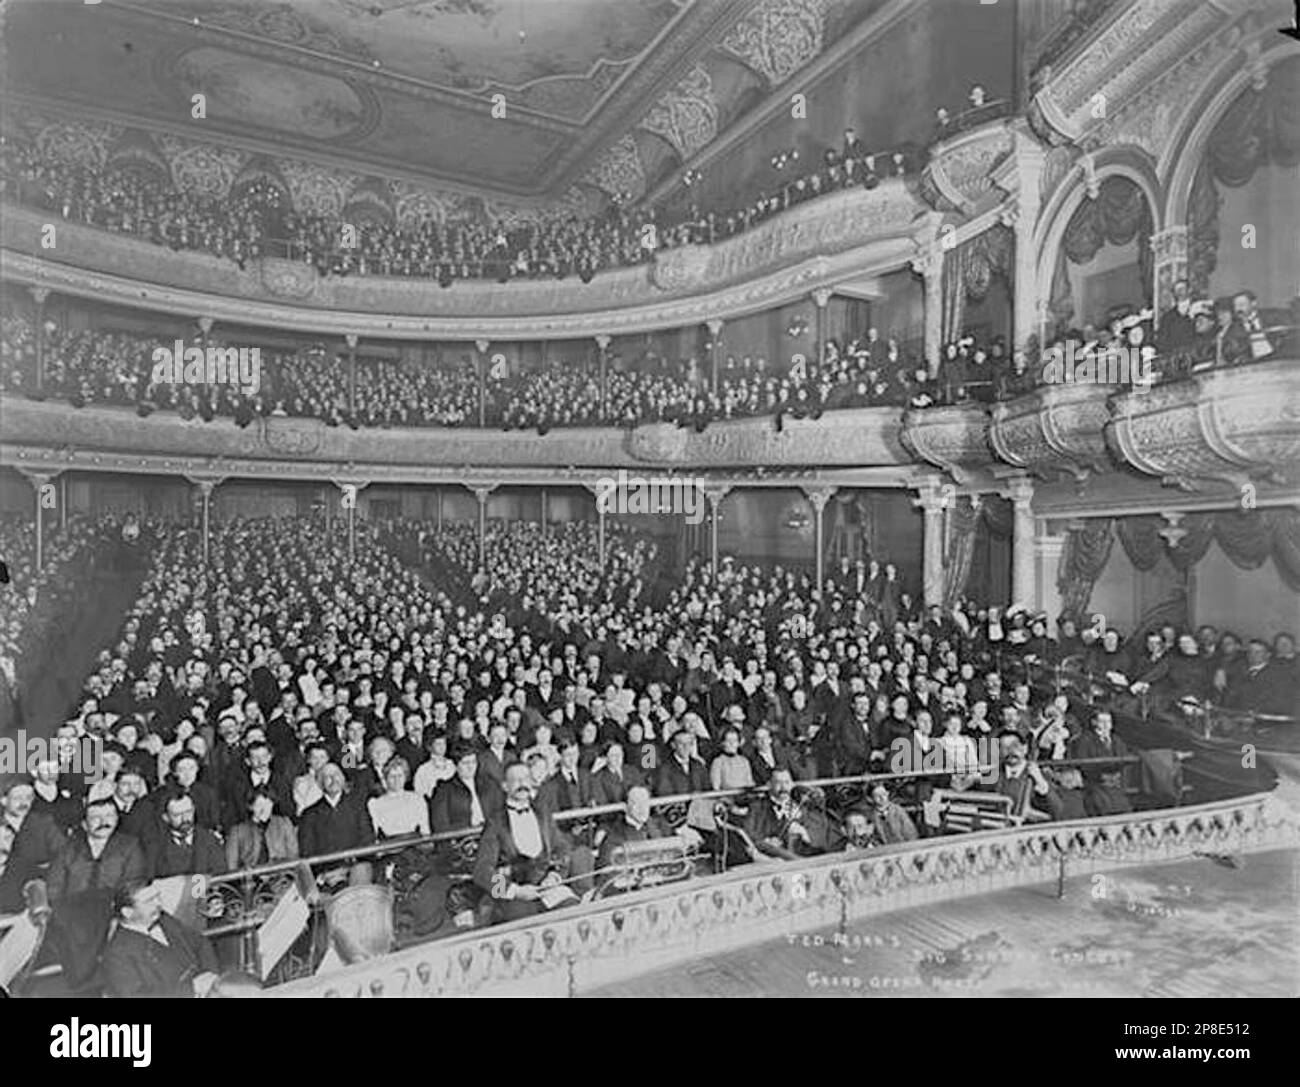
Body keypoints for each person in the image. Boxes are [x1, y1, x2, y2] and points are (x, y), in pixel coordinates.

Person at [473, 763, 593, 924]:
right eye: (515, 780)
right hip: (515, 897)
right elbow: (481, 871)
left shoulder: (543, 813)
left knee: (575, 914)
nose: (522, 784)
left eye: (526, 779)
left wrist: (555, 875)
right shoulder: (495, 823)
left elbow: (562, 848)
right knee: (526, 925)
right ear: (504, 786)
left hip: (548, 890)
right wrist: (514, 891)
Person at [100, 880, 220, 998]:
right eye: (149, 901)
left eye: (157, 897)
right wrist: (191, 988)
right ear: (128, 912)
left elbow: (201, 943)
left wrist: (210, 976)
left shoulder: (163, 918)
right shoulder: (116, 954)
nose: (158, 904)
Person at [297, 762, 375, 859]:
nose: (333, 779)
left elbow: (367, 838)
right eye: (327, 777)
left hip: (357, 865)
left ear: (343, 779)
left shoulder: (358, 806)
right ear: (320, 784)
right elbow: (307, 851)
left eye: (336, 775)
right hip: (328, 869)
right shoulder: (310, 814)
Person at [147, 793, 227, 879]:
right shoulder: (155, 846)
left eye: (188, 812)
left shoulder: (210, 840)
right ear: (165, 817)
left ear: (193, 810)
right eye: (177, 815)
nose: (185, 819)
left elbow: (220, 878)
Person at [429, 744, 502, 834]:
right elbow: (440, 826)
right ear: (456, 765)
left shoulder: (489, 784)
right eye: (465, 763)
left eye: (473, 762)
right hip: (463, 839)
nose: (470, 767)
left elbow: (501, 814)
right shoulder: (444, 789)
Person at [1069, 710, 1130, 816]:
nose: (1106, 725)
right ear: (1094, 722)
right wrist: (1102, 775)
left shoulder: (1117, 740)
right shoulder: (1085, 740)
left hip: (1116, 783)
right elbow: (1083, 763)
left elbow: (1125, 759)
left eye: (1109, 722)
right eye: (1102, 721)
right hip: (1095, 784)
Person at [225, 789, 299, 870]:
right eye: (259, 804)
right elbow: (232, 867)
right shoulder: (237, 831)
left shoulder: (284, 824)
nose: (264, 809)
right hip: (251, 879)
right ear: (251, 806)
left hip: (282, 876)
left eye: (268, 804)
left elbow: (294, 857)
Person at [367, 756, 430, 839]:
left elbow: (425, 830)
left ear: (405, 777)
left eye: (400, 776)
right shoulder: (375, 803)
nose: (397, 780)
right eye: (392, 776)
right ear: (385, 779)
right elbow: (375, 835)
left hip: (414, 844)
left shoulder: (417, 799)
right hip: (389, 846)